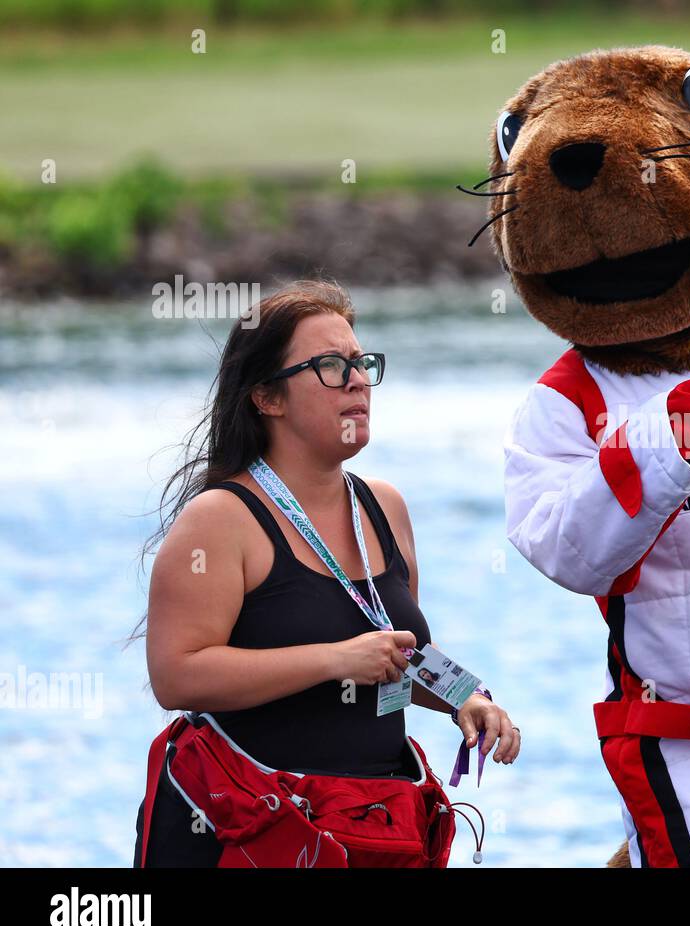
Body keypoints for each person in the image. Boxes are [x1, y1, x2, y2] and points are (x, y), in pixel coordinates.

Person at [131, 279, 518, 866]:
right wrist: (335, 660)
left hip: (374, 825)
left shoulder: (384, 507)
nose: (358, 379)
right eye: (331, 366)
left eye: (361, 363)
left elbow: (399, 657)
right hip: (254, 829)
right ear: (267, 397)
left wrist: (467, 698)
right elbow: (176, 676)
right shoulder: (221, 520)